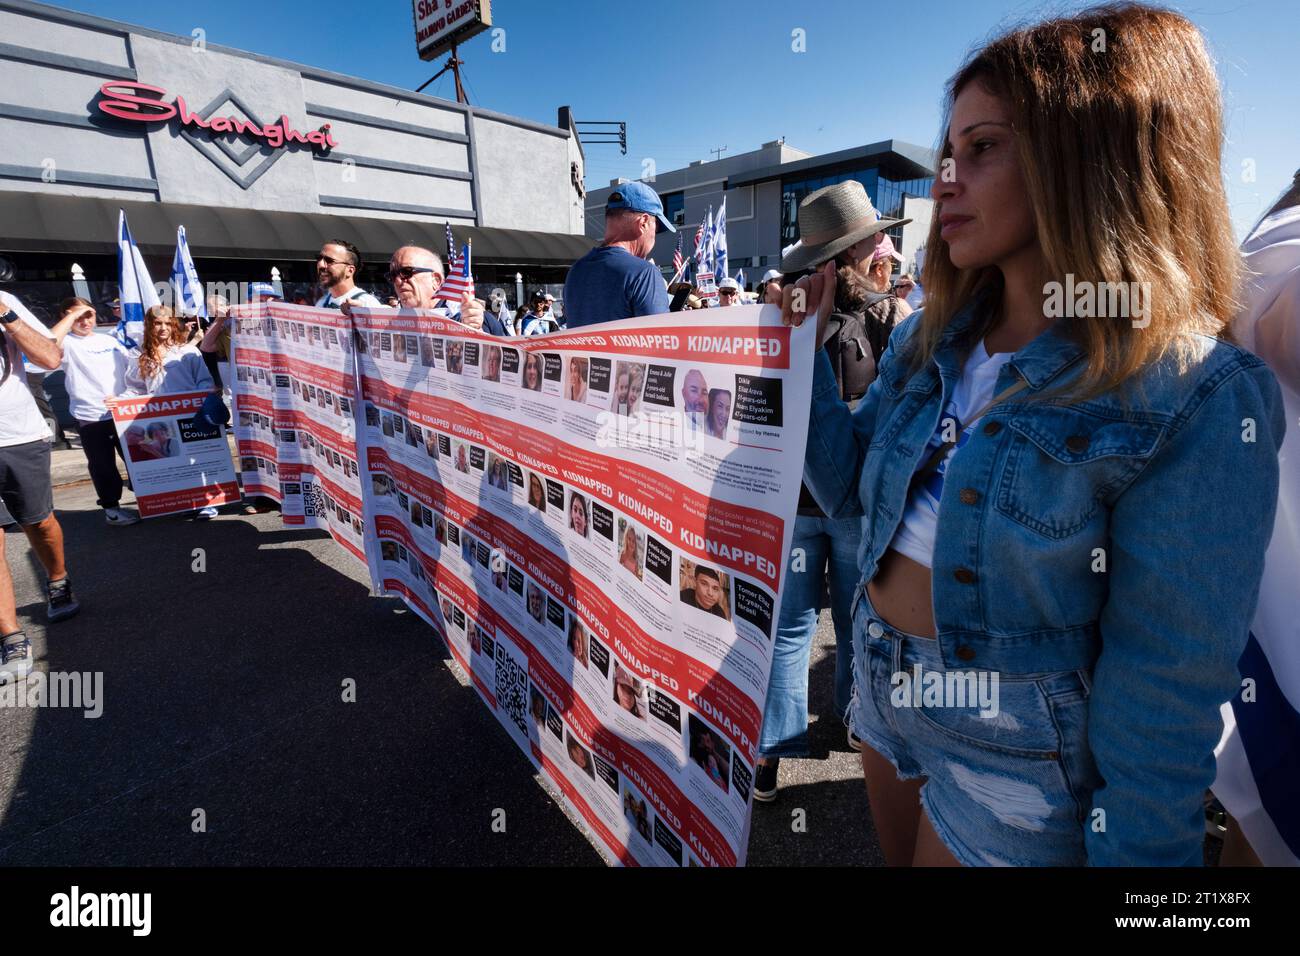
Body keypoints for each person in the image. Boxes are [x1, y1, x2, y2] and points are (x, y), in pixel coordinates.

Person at [783, 3, 1284, 867]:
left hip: (1013, 743)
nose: (944, 180)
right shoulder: (926, 337)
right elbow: (845, 482)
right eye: (948, 151)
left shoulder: (1194, 391)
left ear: (1089, 159)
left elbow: (1161, 701)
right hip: (877, 683)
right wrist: (798, 359)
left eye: (982, 148)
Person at [0, 286, 80, 682]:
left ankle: (58, 579)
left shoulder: (5, 301)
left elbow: (49, 356)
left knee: (39, 522)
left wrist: (5, 315)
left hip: (17, 437)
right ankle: (11, 635)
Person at [124, 305, 220, 518]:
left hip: (189, 416)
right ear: (149, 325)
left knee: (196, 460)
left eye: (168, 323)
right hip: (159, 418)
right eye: (158, 323)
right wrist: (119, 401)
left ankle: (206, 502)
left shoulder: (187, 351)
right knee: (172, 459)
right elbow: (134, 388)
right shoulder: (137, 355)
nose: (163, 328)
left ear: (174, 324)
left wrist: (205, 392)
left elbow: (204, 381)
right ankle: (182, 501)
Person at [49, 298, 138, 525]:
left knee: (137, 459)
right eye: (77, 316)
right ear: (66, 317)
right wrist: (70, 318)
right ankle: (112, 508)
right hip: (90, 416)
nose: (84, 321)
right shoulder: (66, 343)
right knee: (102, 465)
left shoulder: (109, 340)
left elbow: (132, 369)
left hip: (123, 412)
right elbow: (48, 343)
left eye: (88, 315)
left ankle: (147, 499)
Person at [563, 181, 673, 328]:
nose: (654, 236)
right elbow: (661, 342)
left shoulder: (576, 270)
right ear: (644, 222)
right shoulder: (644, 273)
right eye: (657, 228)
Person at [314, 239, 380, 310]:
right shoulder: (321, 304)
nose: (321, 265)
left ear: (350, 270)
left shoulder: (367, 304)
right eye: (319, 259)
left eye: (329, 261)